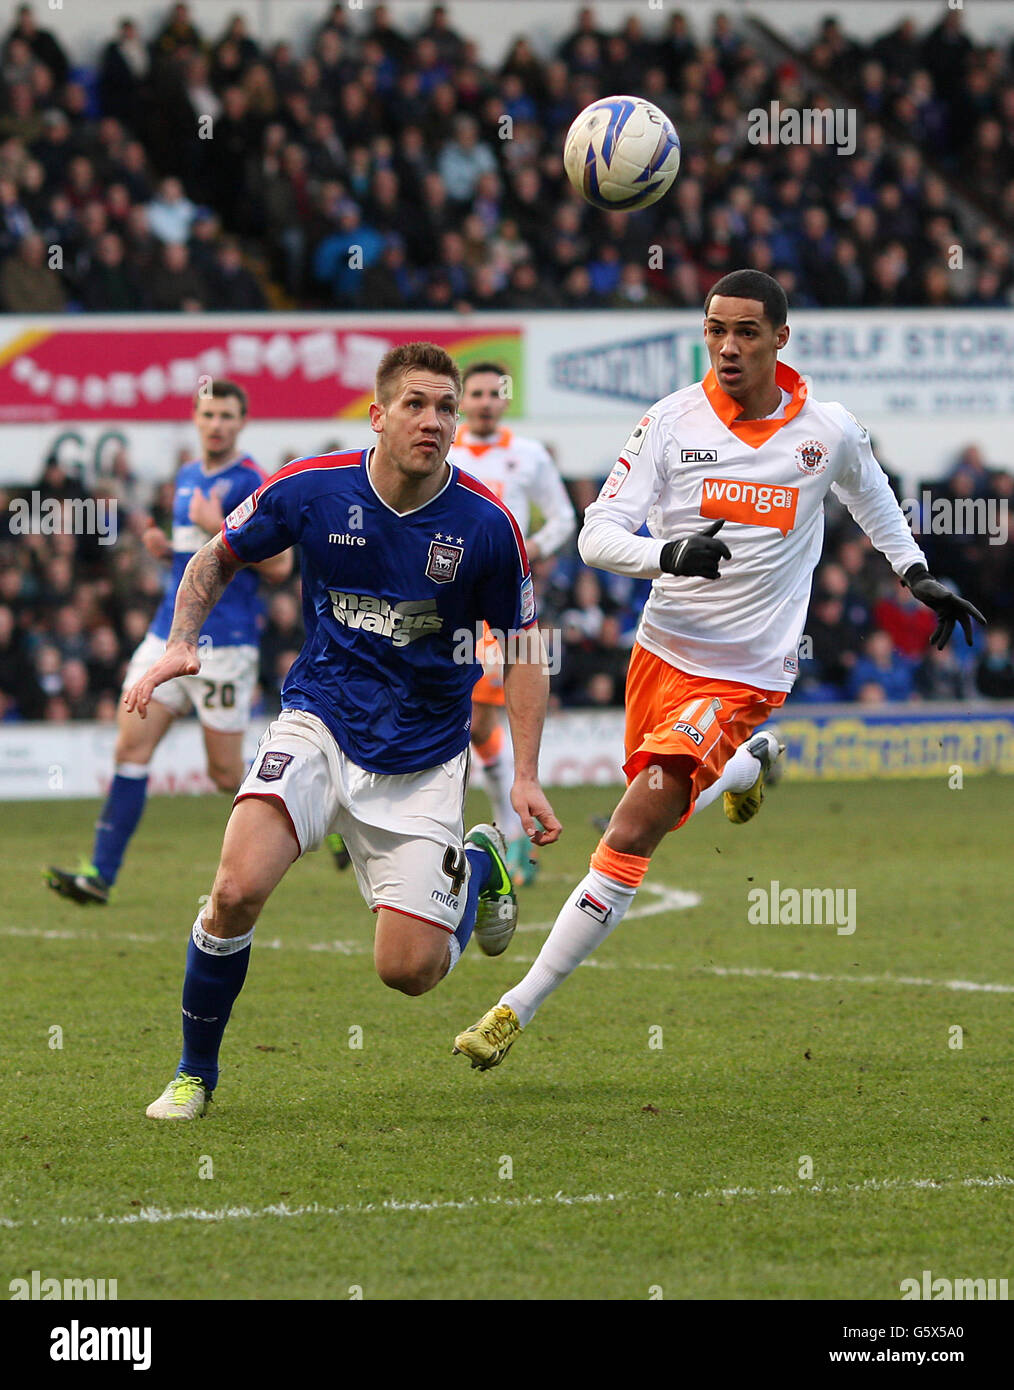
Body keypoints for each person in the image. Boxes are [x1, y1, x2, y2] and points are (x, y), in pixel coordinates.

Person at [452, 268, 985, 1071]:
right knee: (660, 811)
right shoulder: (670, 422)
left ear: (780, 338)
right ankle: (746, 768)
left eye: (744, 331)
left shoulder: (827, 431)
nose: (727, 346)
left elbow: (872, 499)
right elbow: (598, 536)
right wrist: (668, 554)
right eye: (714, 330)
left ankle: (512, 1007)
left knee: (633, 827)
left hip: (748, 671)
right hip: (661, 655)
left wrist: (915, 575)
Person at [123, 342, 560, 1119]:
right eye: (417, 405)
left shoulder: (487, 522)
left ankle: (483, 865)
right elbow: (217, 556)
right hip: (319, 719)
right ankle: (195, 1073)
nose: (434, 421)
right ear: (378, 416)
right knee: (232, 892)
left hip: (424, 754)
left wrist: (524, 774)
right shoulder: (312, 489)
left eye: (447, 407)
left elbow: (525, 647)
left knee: (409, 973)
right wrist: (182, 639)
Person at [46, 381, 291, 905]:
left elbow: (281, 565)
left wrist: (217, 523)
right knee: (130, 747)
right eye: (209, 414)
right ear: (196, 418)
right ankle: (100, 874)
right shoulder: (184, 477)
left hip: (224, 646)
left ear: (242, 422)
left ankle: (310, 806)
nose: (217, 423)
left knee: (225, 772)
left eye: (227, 415)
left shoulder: (251, 481)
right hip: (167, 634)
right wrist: (164, 552)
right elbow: (199, 565)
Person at [450, 361, 577, 883]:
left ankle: (508, 832)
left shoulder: (529, 456)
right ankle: (506, 832)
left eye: (492, 393)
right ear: (462, 399)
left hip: (505, 605)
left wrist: (534, 551)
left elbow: (565, 517)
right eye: (474, 393)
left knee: (477, 721)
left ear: (505, 399)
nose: (483, 401)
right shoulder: (446, 452)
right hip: (450, 601)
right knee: (470, 723)